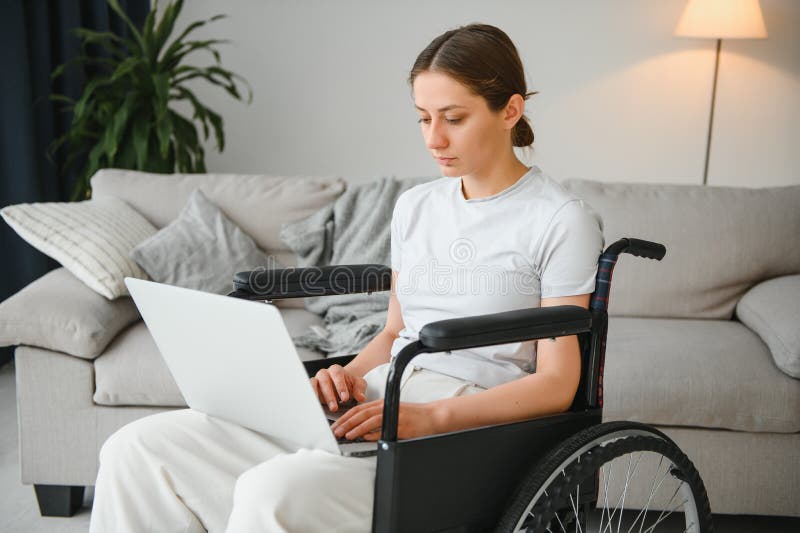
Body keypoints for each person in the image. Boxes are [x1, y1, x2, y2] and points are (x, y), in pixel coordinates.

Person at [89, 23, 604, 533]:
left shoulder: (560, 218)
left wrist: (430, 419)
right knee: (138, 450)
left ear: (510, 110)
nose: (434, 138)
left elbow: (558, 384)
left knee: (272, 491)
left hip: (465, 433)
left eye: (453, 118)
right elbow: (392, 334)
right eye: (423, 118)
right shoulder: (417, 207)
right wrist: (348, 379)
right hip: (383, 398)